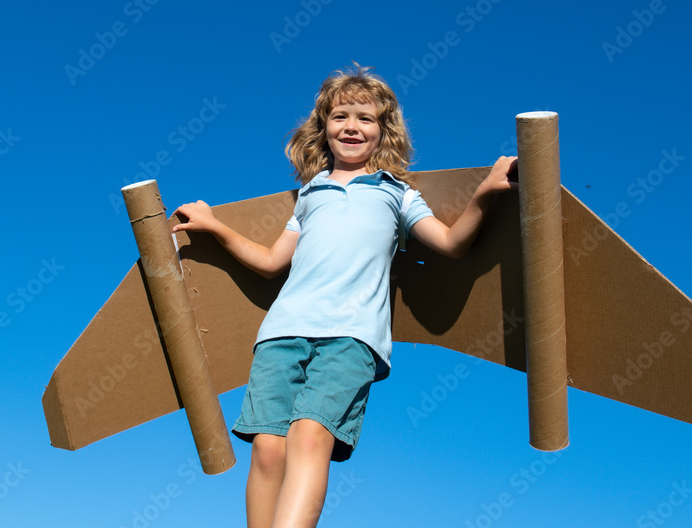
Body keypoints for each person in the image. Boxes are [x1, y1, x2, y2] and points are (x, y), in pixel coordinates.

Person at [172, 63, 517, 527]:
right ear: (324, 128)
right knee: (269, 450)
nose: (352, 126)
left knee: (310, 435)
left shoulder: (397, 194)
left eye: (365, 118)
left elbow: (453, 244)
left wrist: (486, 193)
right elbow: (272, 262)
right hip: (281, 334)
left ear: (383, 131)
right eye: (340, 116)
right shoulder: (309, 195)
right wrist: (215, 227)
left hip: (351, 337)